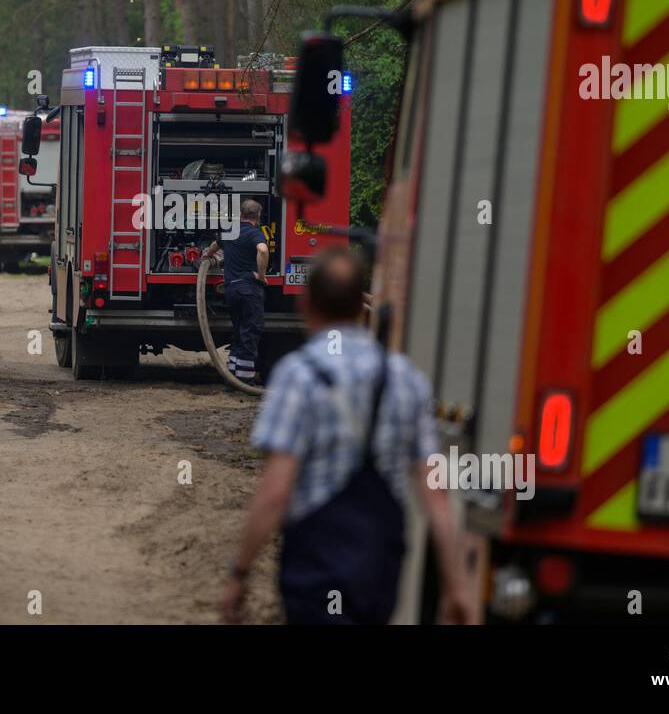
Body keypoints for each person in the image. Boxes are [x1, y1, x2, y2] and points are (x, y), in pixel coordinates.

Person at [219, 248, 476, 625]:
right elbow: (435, 496)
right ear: (362, 305)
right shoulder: (406, 378)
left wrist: (240, 572)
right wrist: (457, 587)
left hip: (316, 561)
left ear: (305, 303)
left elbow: (275, 492)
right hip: (380, 565)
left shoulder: (299, 375)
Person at [201, 199, 268, 386]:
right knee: (251, 331)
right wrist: (261, 275)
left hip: (231, 289)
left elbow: (214, 246)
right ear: (258, 216)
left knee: (239, 331)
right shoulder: (255, 233)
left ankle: (233, 376)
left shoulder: (230, 231)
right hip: (249, 289)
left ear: (241, 215)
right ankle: (245, 380)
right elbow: (262, 250)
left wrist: (207, 256)